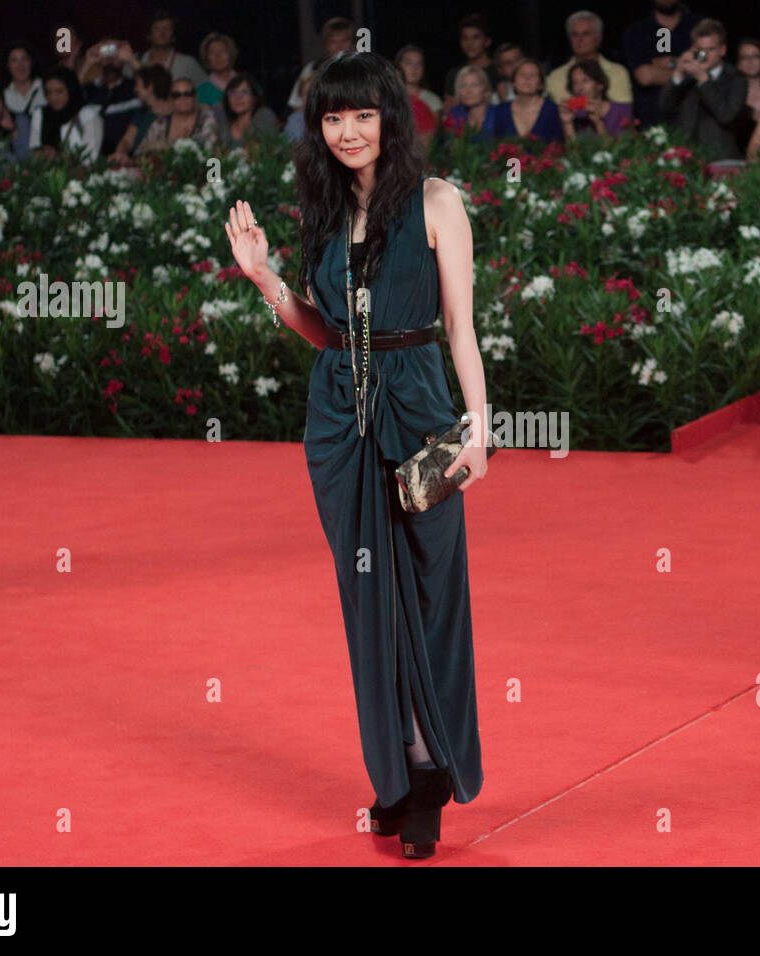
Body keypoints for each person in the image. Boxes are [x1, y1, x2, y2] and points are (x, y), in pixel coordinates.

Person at [222, 50, 486, 859]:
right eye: (333, 118)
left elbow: (461, 327)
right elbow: (322, 331)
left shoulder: (438, 202)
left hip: (419, 410)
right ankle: (402, 779)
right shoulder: (323, 211)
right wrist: (263, 276)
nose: (348, 132)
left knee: (433, 598)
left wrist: (481, 425)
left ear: (391, 119)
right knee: (369, 604)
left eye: (363, 115)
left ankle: (438, 767)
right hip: (338, 418)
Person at [659, 18, 746, 160]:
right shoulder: (687, 79)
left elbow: (726, 116)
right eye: (700, 50)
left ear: (722, 50)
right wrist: (678, 73)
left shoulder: (737, 81)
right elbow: (664, 108)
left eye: (710, 49)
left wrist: (703, 80)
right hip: (686, 158)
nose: (704, 56)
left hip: (721, 159)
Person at [623, 0, 705, 130]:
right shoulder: (637, 31)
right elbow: (645, 77)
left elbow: (708, 70)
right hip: (652, 123)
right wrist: (688, 69)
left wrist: (669, 63)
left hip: (696, 120)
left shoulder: (700, 26)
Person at [546, 10, 634, 106]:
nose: (580, 39)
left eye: (586, 34)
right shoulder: (555, 76)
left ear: (598, 38)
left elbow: (622, 114)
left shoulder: (617, 72)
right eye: (575, 34)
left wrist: (571, 104)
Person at [30, 66, 103, 162]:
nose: (53, 98)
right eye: (48, 92)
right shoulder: (41, 115)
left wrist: (59, 158)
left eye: (59, 92)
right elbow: (34, 152)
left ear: (71, 90)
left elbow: (90, 159)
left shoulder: (88, 116)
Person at [82, 41, 142, 156]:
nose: (110, 58)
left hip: (126, 156)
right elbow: (67, 94)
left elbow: (156, 89)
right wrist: (87, 63)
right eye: (105, 52)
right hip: (93, 155)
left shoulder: (135, 87)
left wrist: (131, 59)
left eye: (115, 52)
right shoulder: (89, 88)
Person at [286, 17, 355, 115]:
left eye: (344, 41)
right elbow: (297, 106)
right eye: (334, 42)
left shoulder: (363, 71)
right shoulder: (312, 69)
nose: (339, 47)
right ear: (326, 45)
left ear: (352, 43)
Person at [136, 75, 218, 154]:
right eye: (176, 95)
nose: (183, 98)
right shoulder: (160, 123)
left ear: (195, 96)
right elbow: (141, 152)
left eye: (188, 94)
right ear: (170, 99)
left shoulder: (206, 119)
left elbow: (209, 150)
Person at [558, 58, 632, 140]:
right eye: (575, 82)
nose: (579, 88)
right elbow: (573, 152)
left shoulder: (622, 111)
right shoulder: (575, 115)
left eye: (585, 80)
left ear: (600, 84)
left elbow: (619, 151)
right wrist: (567, 123)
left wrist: (598, 123)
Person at [442, 13, 502, 113]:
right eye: (465, 38)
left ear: (487, 41)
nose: (469, 43)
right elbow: (449, 110)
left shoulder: (499, 71)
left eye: (476, 37)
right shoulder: (454, 74)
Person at [491, 58, 564, 141]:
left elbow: (560, 147)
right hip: (511, 155)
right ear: (513, 82)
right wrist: (513, 154)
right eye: (522, 74)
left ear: (541, 84)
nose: (527, 78)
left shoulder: (552, 110)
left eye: (533, 75)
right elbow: (497, 148)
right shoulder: (500, 111)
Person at [111, 64, 172, 161]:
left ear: (150, 87)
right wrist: (120, 153)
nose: (135, 89)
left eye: (137, 85)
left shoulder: (175, 113)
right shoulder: (142, 112)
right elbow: (127, 140)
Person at [140, 11, 209, 88]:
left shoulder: (187, 63)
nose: (162, 32)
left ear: (173, 37)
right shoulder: (136, 59)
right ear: (149, 35)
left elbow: (208, 90)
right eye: (157, 28)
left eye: (167, 28)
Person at [214, 72, 279, 151]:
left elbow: (259, 151)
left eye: (244, 92)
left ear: (255, 97)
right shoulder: (224, 125)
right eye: (233, 92)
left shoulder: (264, 115)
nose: (238, 97)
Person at [732, 38, 760, 153]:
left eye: (755, 56)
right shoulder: (731, 96)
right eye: (744, 57)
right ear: (738, 64)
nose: (750, 61)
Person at [442, 64, 497, 142]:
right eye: (463, 86)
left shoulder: (499, 114)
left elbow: (512, 151)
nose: (468, 91)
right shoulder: (454, 115)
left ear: (486, 90)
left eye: (474, 85)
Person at [197, 33, 239, 107]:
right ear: (207, 58)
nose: (218, 56)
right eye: (212, 52)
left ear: (230, 53)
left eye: (222, 50)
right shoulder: (202, 91)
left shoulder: (246, 84)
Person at [2, 44, 44, 115]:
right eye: (14, 60)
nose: (20, 65)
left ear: (31, 62)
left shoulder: (45, 87)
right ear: (7, 66)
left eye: (24, 59)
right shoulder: (2, 94)